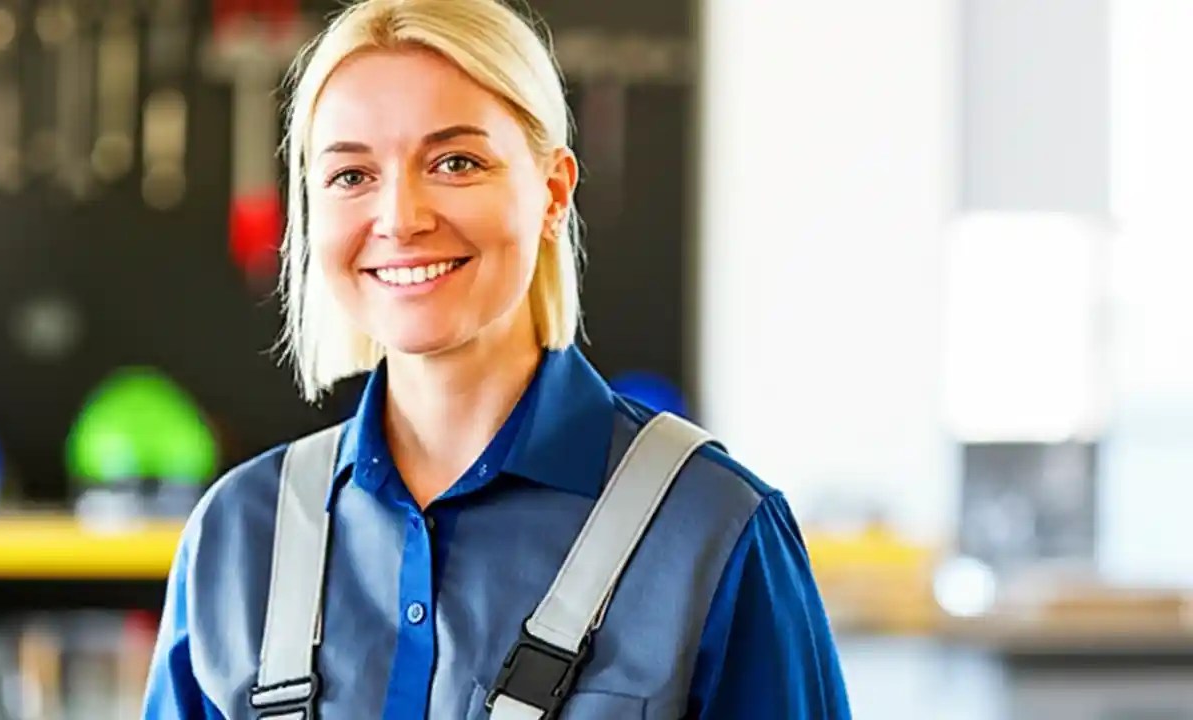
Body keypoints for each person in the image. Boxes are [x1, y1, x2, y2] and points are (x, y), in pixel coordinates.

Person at [141, 0, 851, 717]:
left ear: (553, 192)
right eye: (352, 175)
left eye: (455, 162)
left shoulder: (715, 532)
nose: (400, 218)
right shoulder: (236, 540)